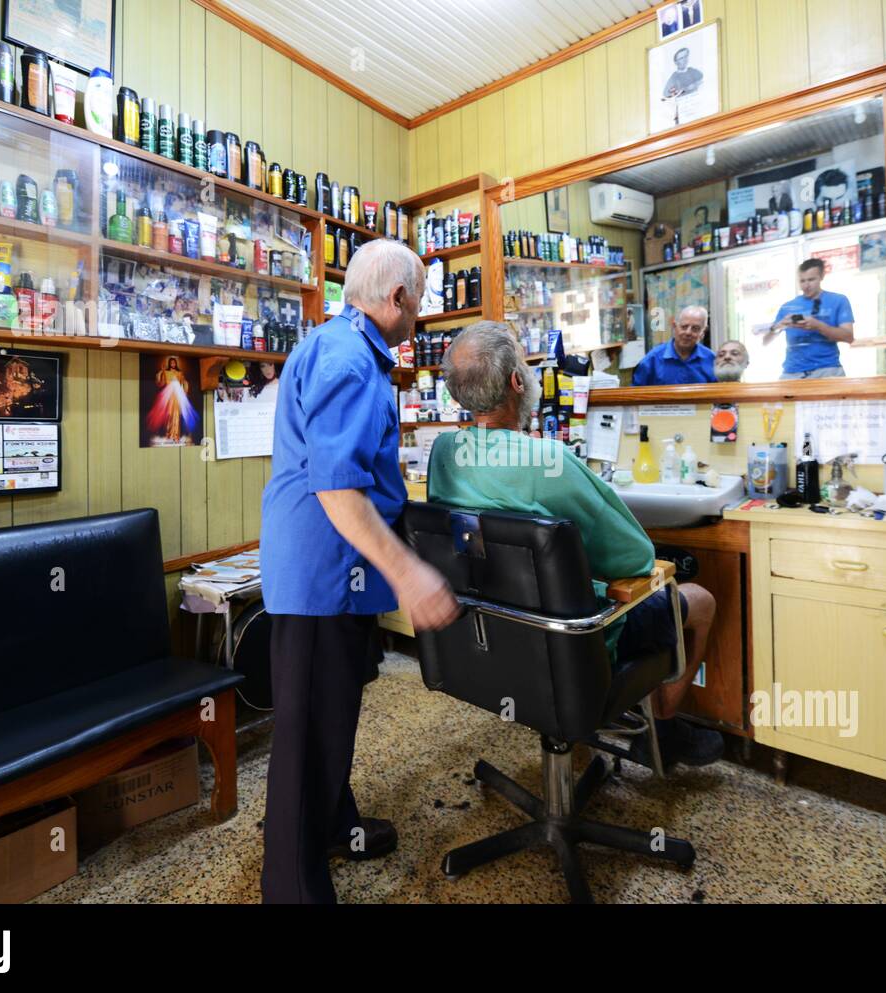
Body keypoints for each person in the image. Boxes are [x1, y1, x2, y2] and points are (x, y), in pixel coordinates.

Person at [259, 240, 459, 904]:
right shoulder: (348, 360)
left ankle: (335, 824)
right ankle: (293, 886)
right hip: (321, 574)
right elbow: (339, 489)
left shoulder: (341, 343)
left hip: (334, 573)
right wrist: (410, 574)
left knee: (331, 713)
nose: (421, 313)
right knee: (307, 732)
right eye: (421, 298)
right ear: (396, 297)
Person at [428, 321, 724, 768]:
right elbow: (635, 557)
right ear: (516, 382)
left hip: (490, 640)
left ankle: (578, 741)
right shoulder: (548, 460)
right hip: (572, 644)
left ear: (456, 394)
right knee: (698, 600)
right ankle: (663, 729)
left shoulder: (444, 453)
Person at [760, 258, 854, 379]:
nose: (806, 285)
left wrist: (818, 326)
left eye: (811, 280)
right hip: (792, 372)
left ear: (821, 276)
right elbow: (765, 342)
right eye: (802, 281)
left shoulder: (839, 300)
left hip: (828, 369)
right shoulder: (787, 307)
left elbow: (849, 337)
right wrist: (780, 326)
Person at [632, 305, 715, 386]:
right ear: (675, 327)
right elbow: (635, 394)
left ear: (703, 333)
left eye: (695, 328)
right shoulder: (652, 359)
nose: (688, 332)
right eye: (684, 327)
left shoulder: (711, 359)